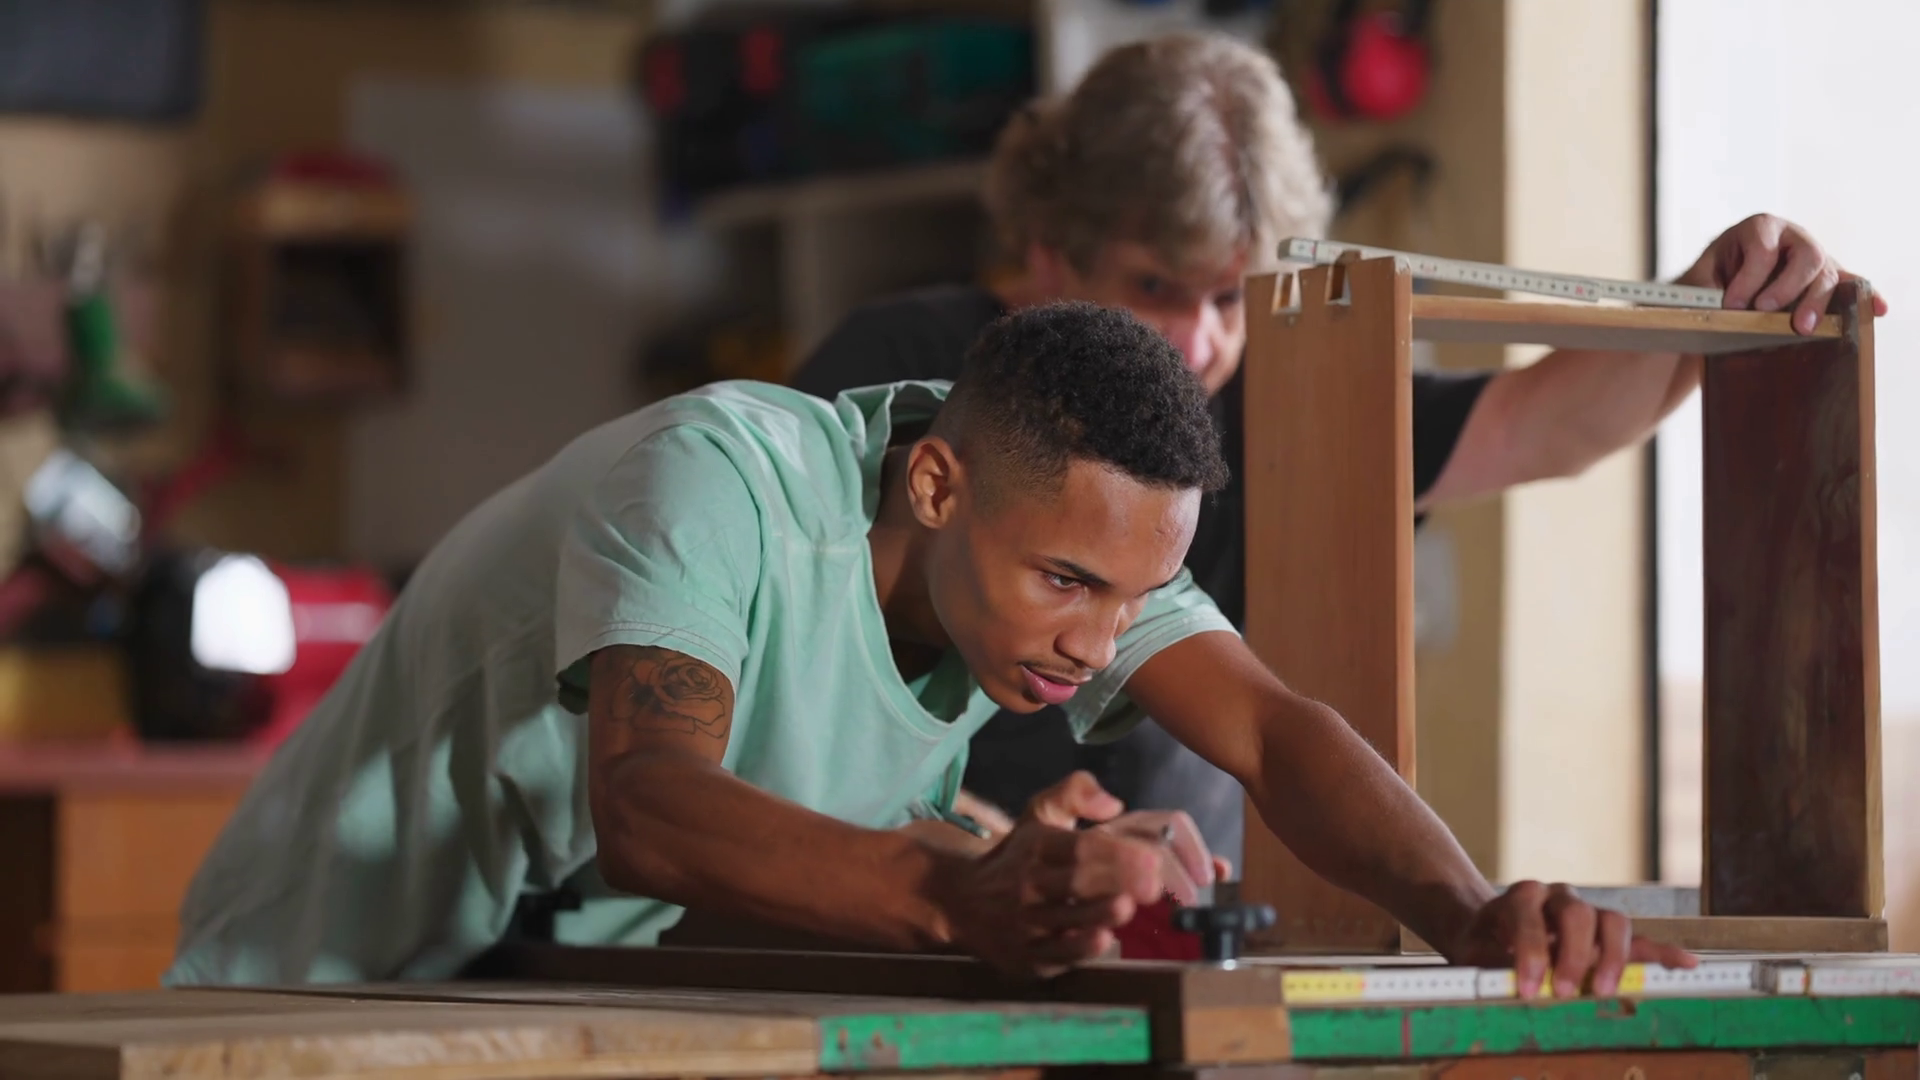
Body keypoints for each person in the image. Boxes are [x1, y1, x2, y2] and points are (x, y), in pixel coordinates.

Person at [167, 301, 1689, 996]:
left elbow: (1279, 732)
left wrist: (1473, 907)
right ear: (939, 486)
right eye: (1070, 586)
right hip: (312, 964)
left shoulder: (1066, 555)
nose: (1092, 644)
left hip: (558, 990)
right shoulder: (721, 477)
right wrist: (962, 896)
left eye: (1127, 601)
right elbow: (644, 803)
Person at [790, 32, 1886, 867]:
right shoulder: (902, 365)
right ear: (1047, 249)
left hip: (1178, 898)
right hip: (916, 880)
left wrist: (1717, 294)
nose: (1201, 341)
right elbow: (786, 679)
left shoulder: (1291, 402)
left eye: (1230, 295)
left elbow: (1535, 424)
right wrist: (972, 846)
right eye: (1155, 288)